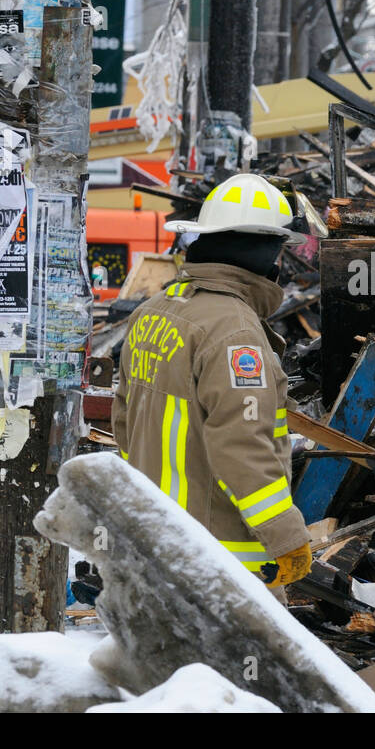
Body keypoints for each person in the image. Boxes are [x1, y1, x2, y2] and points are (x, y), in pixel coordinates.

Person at [112, 173, 312, 593]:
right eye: (277, 252)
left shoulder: (154, 311)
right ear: (264, 254)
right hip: (219, 563)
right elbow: (242, 446)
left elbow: (124, 422)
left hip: (157, 542)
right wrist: (287, 537)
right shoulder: (234, 332)